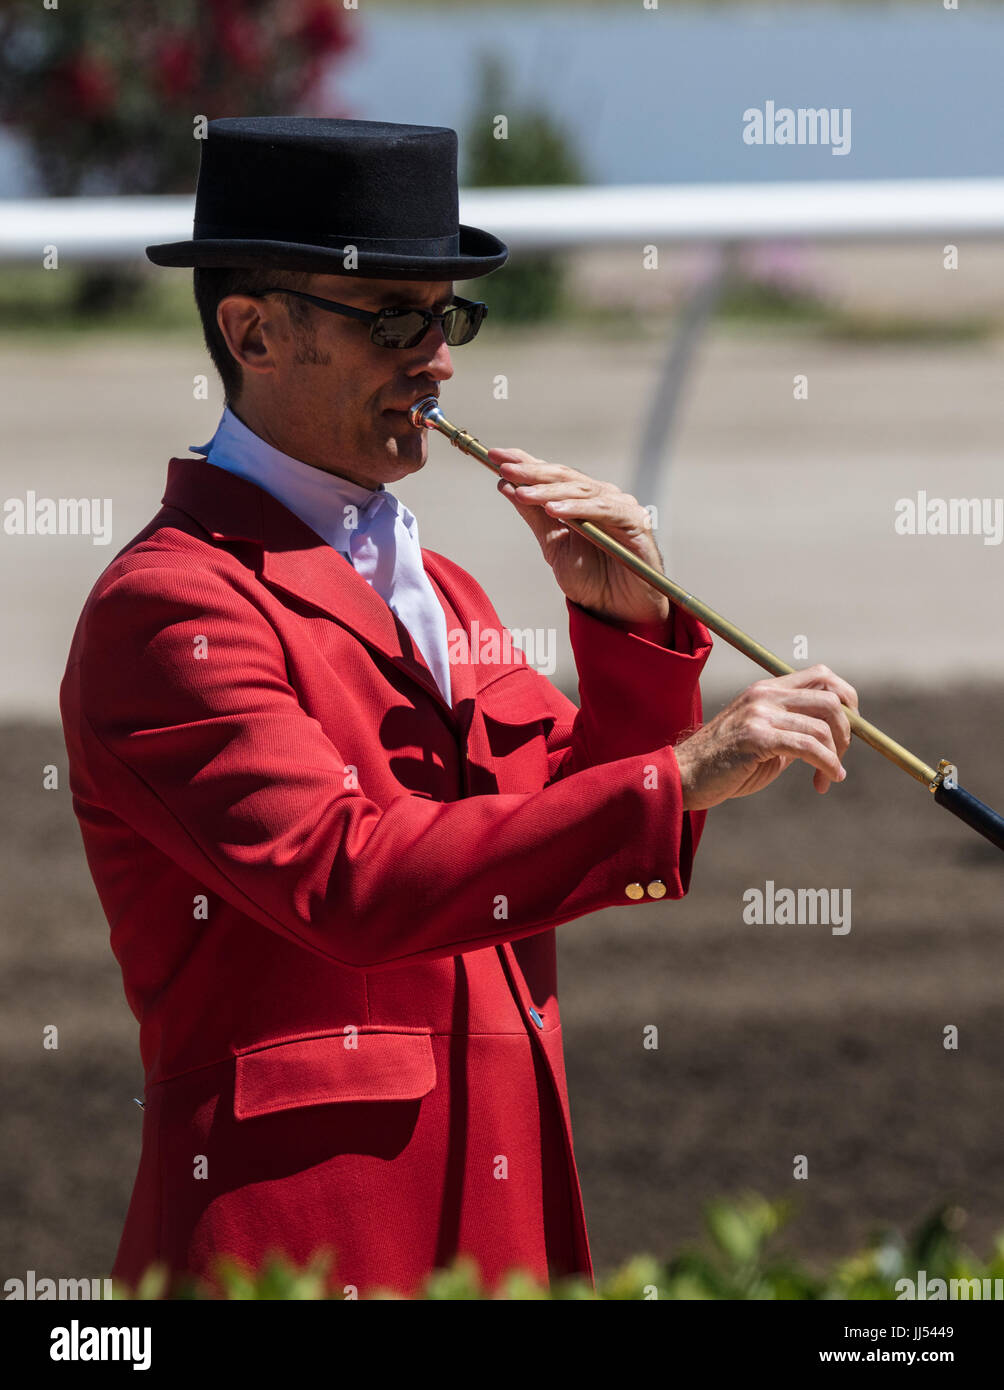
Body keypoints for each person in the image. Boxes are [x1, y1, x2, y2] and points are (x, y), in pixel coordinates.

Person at [59, 117, 858, 1298]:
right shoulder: (170, 605)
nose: (435, 362)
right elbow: (348, 881)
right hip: (300, 1240)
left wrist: (631, 633)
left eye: (447, 319)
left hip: (500, 1225)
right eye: (392, 320)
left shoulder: (444, 588)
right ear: (253, 330)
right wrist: (680, 771)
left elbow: (567, 830)